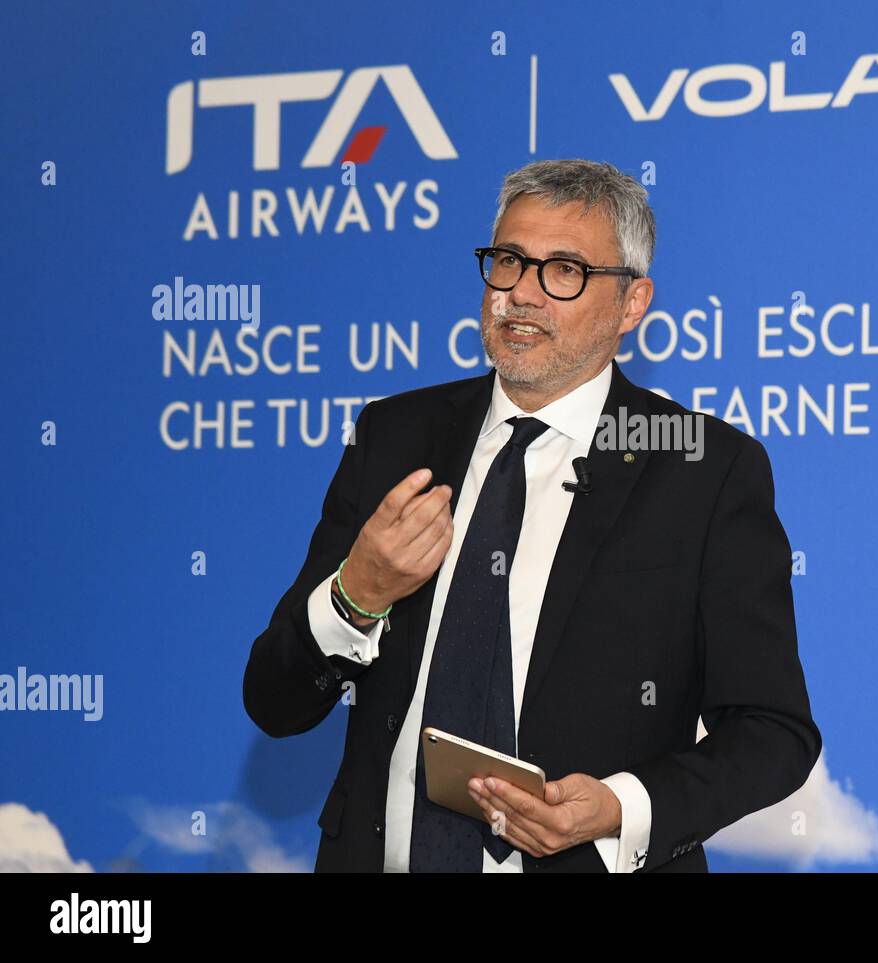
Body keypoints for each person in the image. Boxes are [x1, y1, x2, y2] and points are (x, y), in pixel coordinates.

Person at [242, 158, 821, 873]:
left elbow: (773, 731)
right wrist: (354, 596)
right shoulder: (396, 436)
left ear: (632, 303)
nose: (521, 294)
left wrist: (619, 806)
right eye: (509, 261)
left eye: (565, 271)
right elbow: (274, 701)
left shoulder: (704, 468)